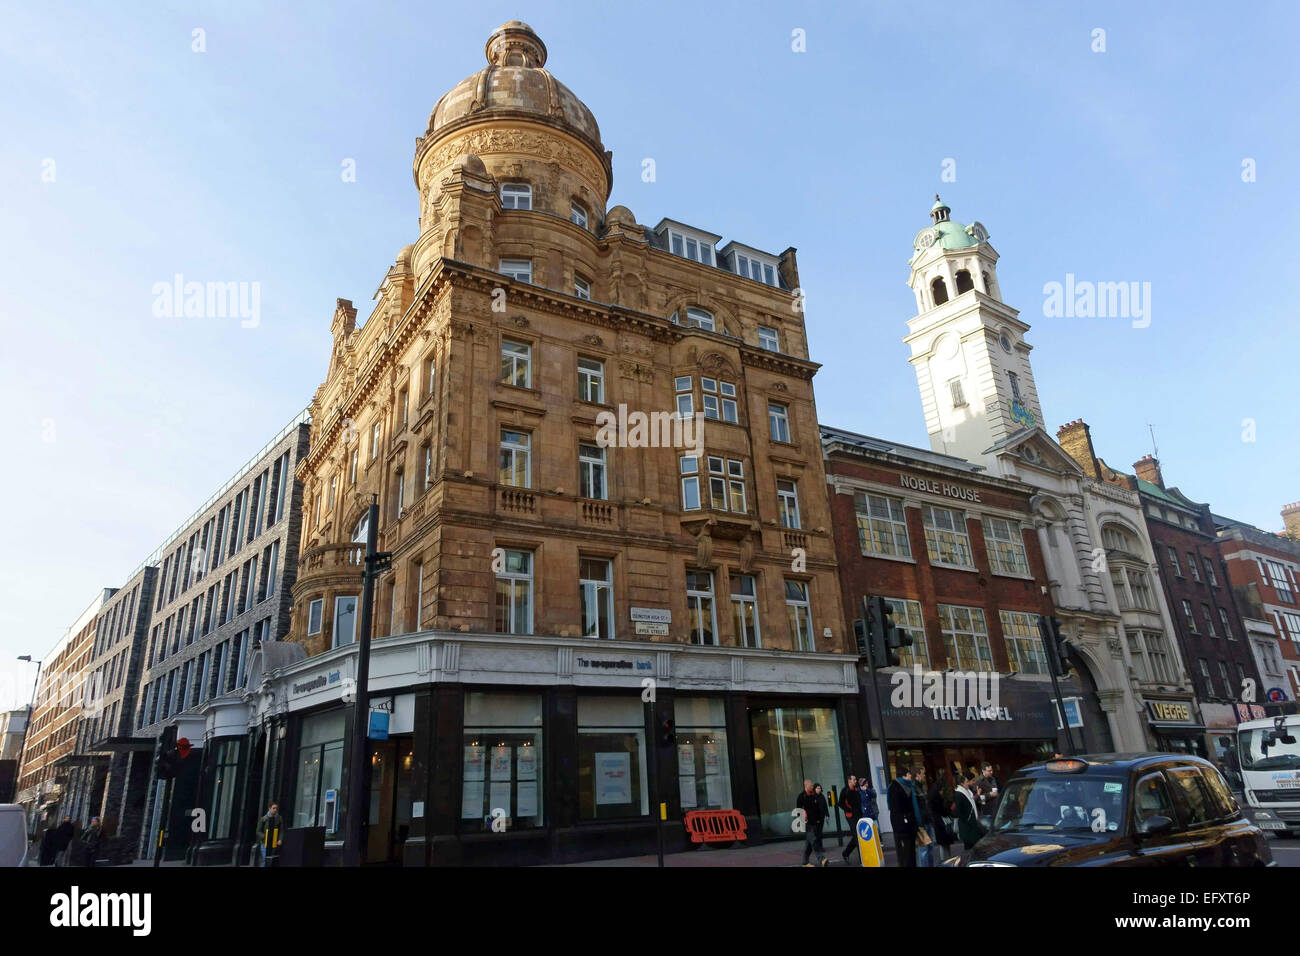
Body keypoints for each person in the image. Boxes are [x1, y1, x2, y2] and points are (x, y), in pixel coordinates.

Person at [886, 766, 920, 867]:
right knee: (907, 851)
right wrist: (907, 820)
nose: (911, 776)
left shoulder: (896, 786)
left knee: (906, 851)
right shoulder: (900, 788)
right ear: (904, 776)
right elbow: (897, 808)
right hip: (904, 824)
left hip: (903, 824)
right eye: (909, 774)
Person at [955, 772, 986, 863]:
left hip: (971, 825)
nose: (969, 783)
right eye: (967, 781)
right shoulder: (959, 794)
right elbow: (959, 811)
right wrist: (968, 820)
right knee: (969, 849)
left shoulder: (967, 792)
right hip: (967, 826)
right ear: (962, 783)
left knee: (973, 848)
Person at [796, 779, 828, 867]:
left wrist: (819, 819)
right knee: (814, 841)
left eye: (812, 786)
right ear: (806, 786)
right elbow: (798, 811)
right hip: (807, 824)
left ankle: (805, 862)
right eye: (811, 786)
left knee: (809, 845)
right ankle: (822, 859)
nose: (812, 787)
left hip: (815, 823)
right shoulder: (801, 797)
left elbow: (817, 808)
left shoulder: (814, 796)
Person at [914, 767, 937, 867]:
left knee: (930, 847)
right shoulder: (914, 788)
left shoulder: (922, 786)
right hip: (921, 823)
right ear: (917, 775)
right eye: (922, 774)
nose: (924, 775)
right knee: (924, 849)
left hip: (927, 820)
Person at [928, 776, 954, 860]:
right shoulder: (937, 799)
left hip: (938, 823)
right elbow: (943, 810)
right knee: (945, 844)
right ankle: (947, 859)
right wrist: (949, 809)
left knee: (943, 844)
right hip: (941, 822)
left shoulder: (933, 797)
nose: (942, 791)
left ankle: (945, 859)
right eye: (941, 790)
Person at [840, 774, 862, 863]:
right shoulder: (845, 791)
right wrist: (849, 810)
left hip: (859, 815)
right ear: (849, 781)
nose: (855, 781)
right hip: (850, 816)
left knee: (857, 836)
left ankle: (845, 853)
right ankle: (862, 860)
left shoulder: (856, 790)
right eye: (854, 780)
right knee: (857, 836)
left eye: (855, 780)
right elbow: (840, 803)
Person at [254, 801, 283, 867]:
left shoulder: (279, 818)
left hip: (274, 842)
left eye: (276, 808)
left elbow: (281, 830)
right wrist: (265, 836)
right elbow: (258, 831)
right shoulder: (263, 819)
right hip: (265, 842)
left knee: (272, 859)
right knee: (264, 859)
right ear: (269, 809)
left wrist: (280, 839)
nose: (275, 810)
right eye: (274, 808)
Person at [975, 762, 1000, 829]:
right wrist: (989, 794)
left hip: (996, 806)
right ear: (983, 771)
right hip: (987, 809)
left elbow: (996, 789)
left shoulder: (993, 779)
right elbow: (977, 798)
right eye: (989, 771)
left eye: (992, 770)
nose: (991, 772)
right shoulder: (979, 781)